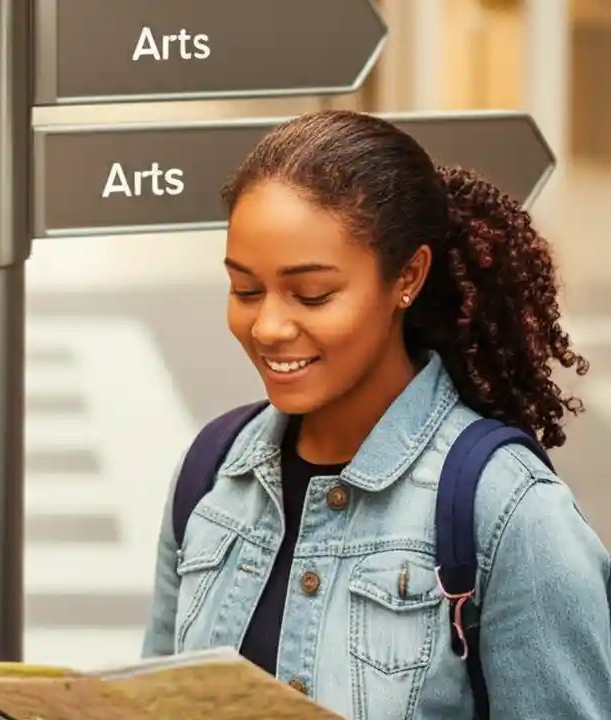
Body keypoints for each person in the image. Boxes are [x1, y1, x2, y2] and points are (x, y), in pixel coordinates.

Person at [140, 110, 611, 719]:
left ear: (407, 277)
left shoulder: (510, 514)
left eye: (312, 294)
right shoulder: (210, 474)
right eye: (246, 290)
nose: (268, 327)